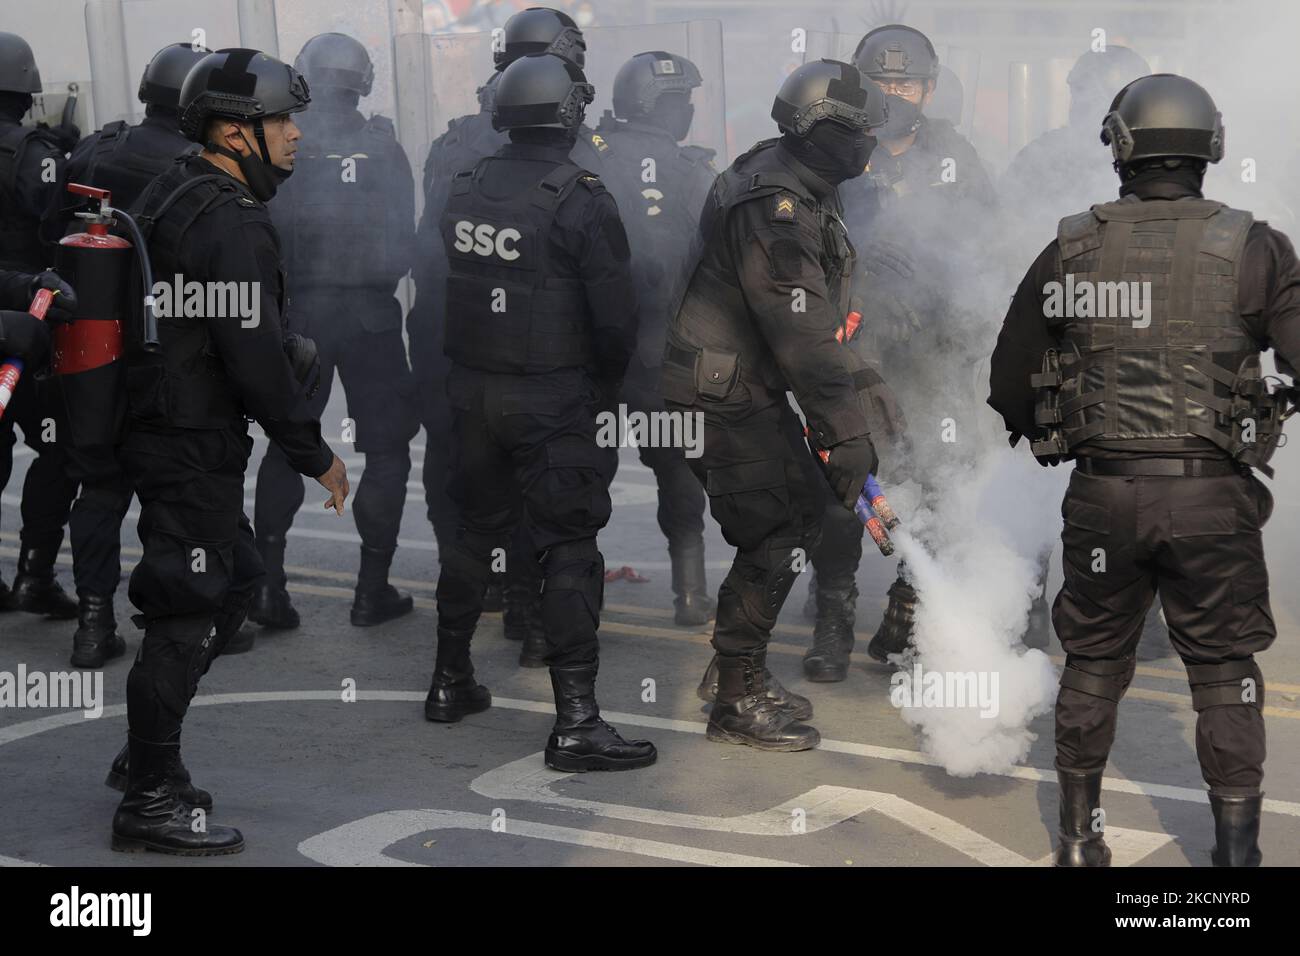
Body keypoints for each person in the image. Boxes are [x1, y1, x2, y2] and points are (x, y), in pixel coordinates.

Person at [989, 74, 1300, 867]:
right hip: (1212, 502)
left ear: (1120, 146)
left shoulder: (1073, 246)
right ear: (1212, 147)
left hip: (1103, 498)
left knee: (1092, 662)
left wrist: (1062, 434)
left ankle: (1075, 841)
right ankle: (1235, 861)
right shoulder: (1254, 246)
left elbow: (1007, 380)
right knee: (1225, 670)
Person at [110, 48, 349, 855]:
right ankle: (147, 796)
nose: (294, 136)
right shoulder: (232, 219)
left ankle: (149, 752)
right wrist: (314, 452)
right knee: (187, 603)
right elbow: (254, 356)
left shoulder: (179, 186)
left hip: (168, 427)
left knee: (236, 579)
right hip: (187, 438)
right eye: (280, 121)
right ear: (232, 130)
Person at [425, 51, 655, 773]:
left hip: (473, 394)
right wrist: (601, 390)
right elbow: (617, 321)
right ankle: (578, 722)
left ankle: (449, 679)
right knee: (568, 550)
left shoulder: (463, 186)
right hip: (552, 398)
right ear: (570, 115)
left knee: (471, 537)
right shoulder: (582, 196)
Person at [661, 59, 886, 750]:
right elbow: (799, 333)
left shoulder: (795, 177)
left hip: (742, 385)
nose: (871, 142)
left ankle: (732, 669)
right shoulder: (775, 208)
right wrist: (846, 433)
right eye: (859, 131)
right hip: (720, 394)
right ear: (821, 134)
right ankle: (736, 697)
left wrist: (863, 380)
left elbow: (819, 322)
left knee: (804, 517)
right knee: (776, 535)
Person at [411, 5, 598, 665]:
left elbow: (422, 246)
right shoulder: (563, 137)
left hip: (451, 341)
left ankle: (480, 609)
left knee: (470, 483)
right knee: (549, 491)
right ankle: (532, 612)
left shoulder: (459, 137)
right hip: (537, 354)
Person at [42, 41, 214, 667]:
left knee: (98, 485)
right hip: (167, 355)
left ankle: (93, 624)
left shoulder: (96, 149)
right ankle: (182, 617)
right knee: (175, 486)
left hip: (88, 352)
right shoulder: (203, 166)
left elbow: (50, 243)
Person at [250, 32, 417, 630]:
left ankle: (268, 591)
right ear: (362, 81)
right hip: (371, 317)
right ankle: (372, 592)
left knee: (287, 444)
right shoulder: (383, 147)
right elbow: (406, 243)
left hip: (301, 318)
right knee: (388, 450)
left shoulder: (282, 141)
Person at [583, 50, 717, 626]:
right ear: (658, 106)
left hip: (593, 355)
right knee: (679, 474)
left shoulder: (583, 155)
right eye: (680, 101)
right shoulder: (694, 171)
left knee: (582, 479)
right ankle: (690, 594)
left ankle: (571, 602)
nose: (687, 111)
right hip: (666, 356)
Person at [0, 31, 81, 619]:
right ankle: (34, 574)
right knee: (59, 446)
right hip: (26, 325)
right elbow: (58, 225)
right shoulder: (33, 151)